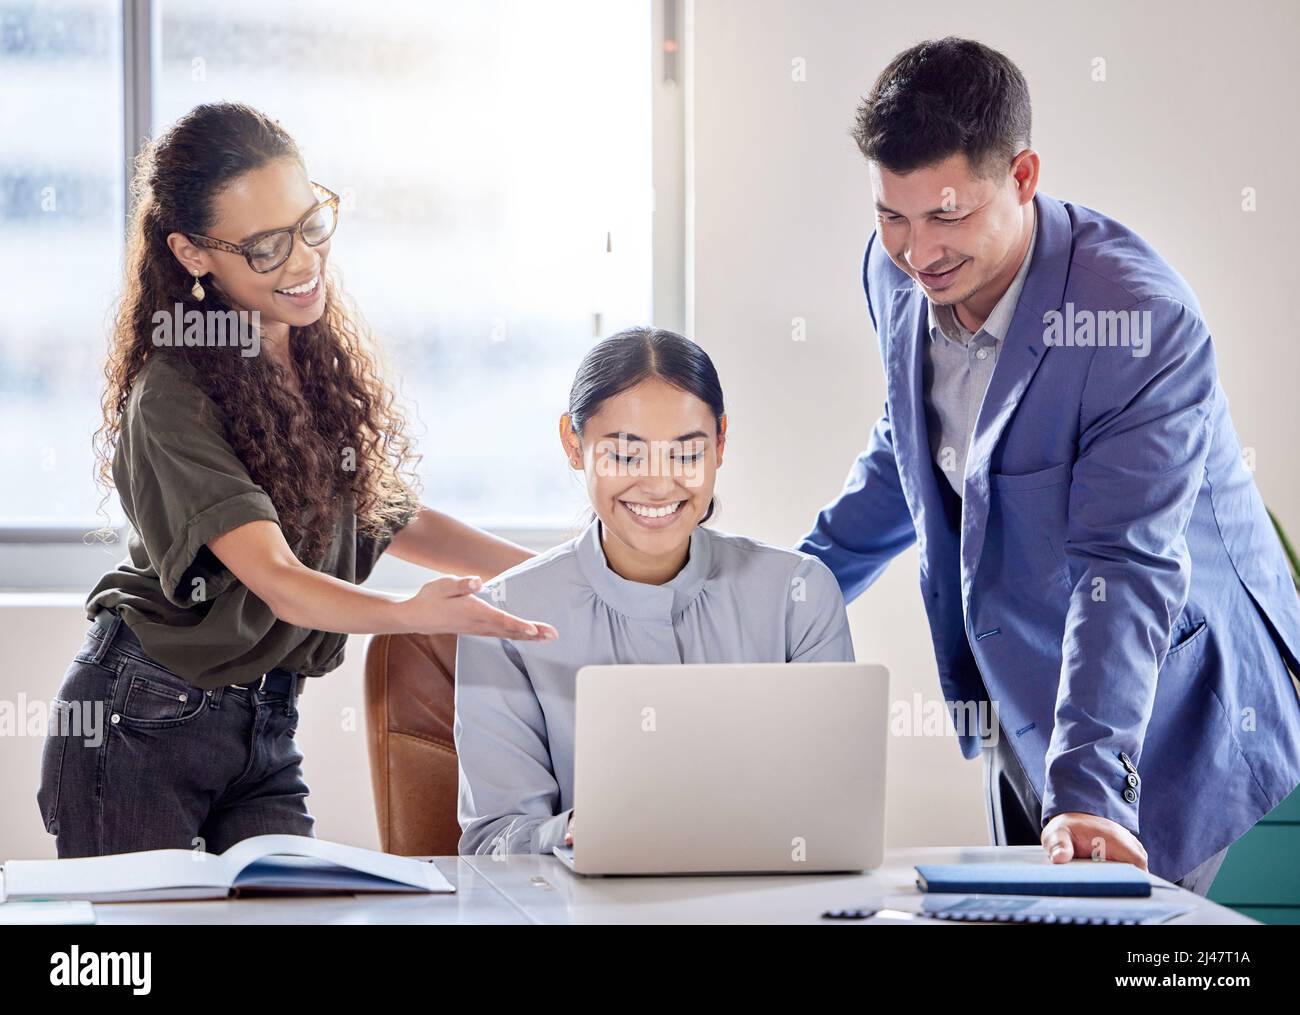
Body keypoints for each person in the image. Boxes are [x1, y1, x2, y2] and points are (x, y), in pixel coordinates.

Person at [798, 37, 1300, 895]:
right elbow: (911, 454)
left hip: (1187, 720)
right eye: (894, 216)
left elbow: (1126, 565)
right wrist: (786, 597)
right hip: (1026, 699)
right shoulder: (896, 278)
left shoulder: (1138, 319)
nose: (919, 252)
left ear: (1023, 175)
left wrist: (1091, 786)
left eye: (946, 216)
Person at [36, 102, 556, 859]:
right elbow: (278, 579)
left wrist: (556, 572)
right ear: (191, 254)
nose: (304, 261)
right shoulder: (173, 393)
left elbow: (389, 512)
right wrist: (410, 612)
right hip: (141, 719)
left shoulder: (311, 357)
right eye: (266, 247)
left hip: (267, 723)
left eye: (312, 224)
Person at [455, 327, 854, 855]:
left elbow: (834, 812)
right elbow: (493, 840)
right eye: (624, 456)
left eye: (686, 455)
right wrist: (575, 830)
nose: (660, 485)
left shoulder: (797, 594)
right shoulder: (503, 616)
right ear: (574, 445)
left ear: (720, 445)